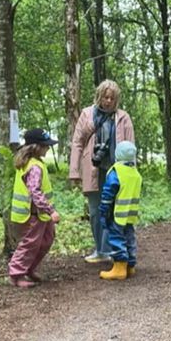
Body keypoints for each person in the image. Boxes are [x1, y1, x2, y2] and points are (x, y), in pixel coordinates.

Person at [68, 79, 135, 264]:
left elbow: (131, 147)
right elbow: (77, 143)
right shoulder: (87, 115)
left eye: (112, 98)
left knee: (115, 210)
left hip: (117, 172)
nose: (108, 101)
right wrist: (74, 171)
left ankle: (112, 249)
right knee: (96, 211)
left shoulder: (123, 118)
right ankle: (100, 249)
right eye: (105, 97)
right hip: (93, 169)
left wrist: (132, 173)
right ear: (99, 96)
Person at [8, 128, 61, 288]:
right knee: (29, 244)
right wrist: (51, 211)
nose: (48, 148)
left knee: (46, 240)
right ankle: (16, 274)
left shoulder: (37, 163)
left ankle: (29, 269)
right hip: (33, 214)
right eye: (45, 145)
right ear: (36, 147)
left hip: (41, 214)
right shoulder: (33, 166)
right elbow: (35, 192)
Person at [98, 141, 142, 280]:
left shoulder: (116, 171)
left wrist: (103, 210)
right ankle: (130, 266)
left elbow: (108, 193)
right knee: (129, 238)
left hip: (116, 213)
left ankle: (119, 267)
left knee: (116, 238)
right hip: (131, 214)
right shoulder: (135, 173)